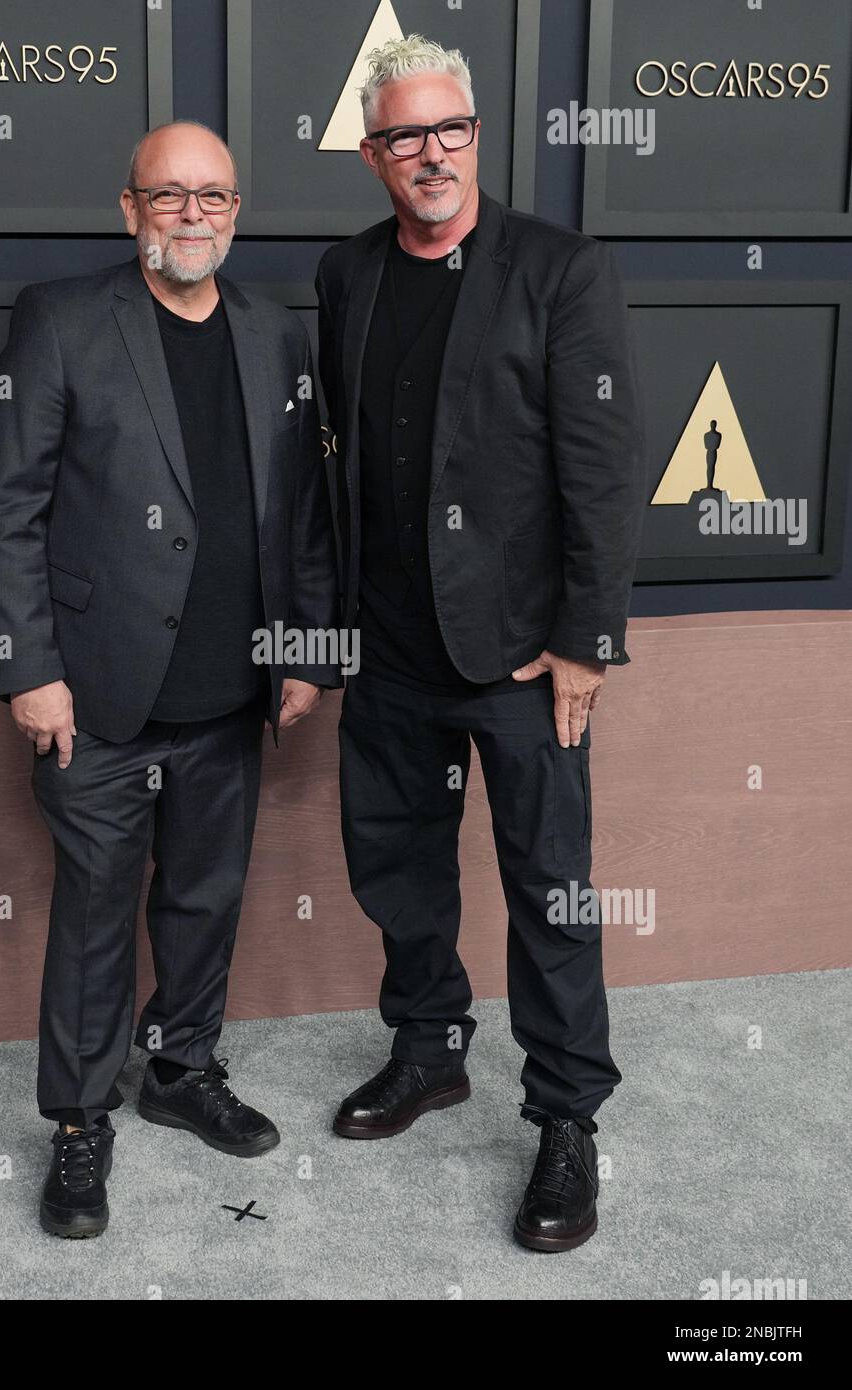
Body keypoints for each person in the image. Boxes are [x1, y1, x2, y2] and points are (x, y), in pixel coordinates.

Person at [0, 120, 339, 1238]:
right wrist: (29, 670)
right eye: (168, 196)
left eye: (212, 197)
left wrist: (307, 647)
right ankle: (81, 1126)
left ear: (236, 210)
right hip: (96, 695)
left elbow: (302, 513)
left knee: (203, 896)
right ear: (129, 209)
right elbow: (7, 507)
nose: (192, 215)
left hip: (231, 691)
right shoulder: (64, 319)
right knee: (93, 916)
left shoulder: (276, 334)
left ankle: (182, 1068)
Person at [314, 35, 647, 1251]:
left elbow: (601, 472)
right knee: (394, 867)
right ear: (373, 156)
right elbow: (333, 463)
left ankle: (565, 1119)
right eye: (405, 136)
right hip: (390, 648)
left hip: (519, 656)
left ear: (474, 135)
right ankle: (426, 1048)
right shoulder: (345, 275)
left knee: (547, 889)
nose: (431, 155)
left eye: (449, 130)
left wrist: (583, 639)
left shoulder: (557, 270)